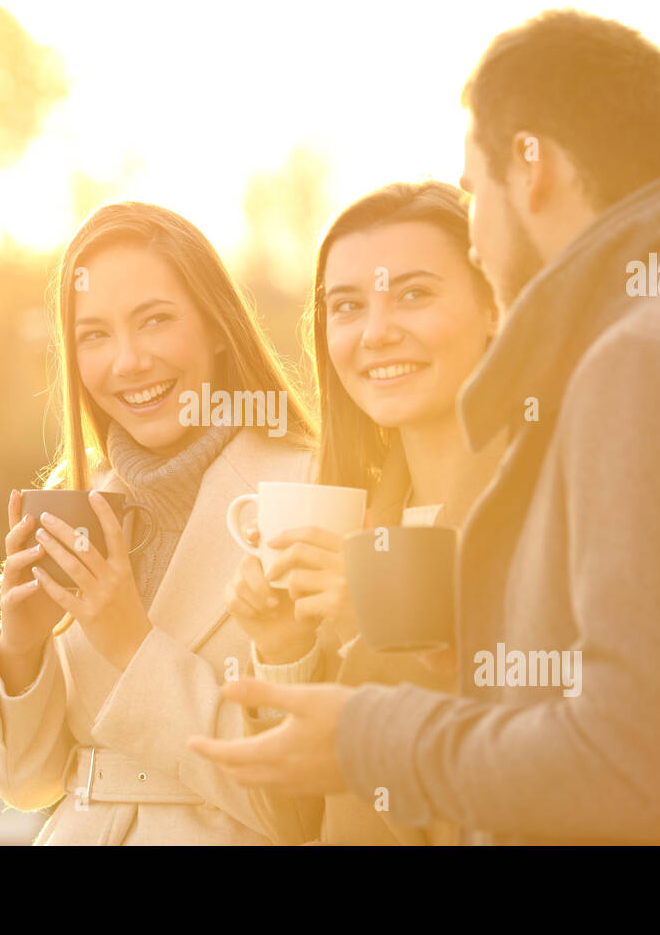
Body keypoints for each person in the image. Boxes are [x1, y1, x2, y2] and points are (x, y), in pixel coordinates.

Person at [191, 8, 660, 844]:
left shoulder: (654, 362)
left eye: (475, 194)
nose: (478, 239)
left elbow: (630, 768)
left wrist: (365, 736)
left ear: (535, 170)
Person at [0, 201, 316, 844]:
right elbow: (24, 784)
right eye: (94, 335)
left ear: (217, 324)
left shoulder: (309, 490)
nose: (127, 362)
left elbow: (297, 808)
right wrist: (20, 648)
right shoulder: (74, 499)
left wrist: (130, 642)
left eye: (154, 321)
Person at [223, 181, 504, 844]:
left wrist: (370, 625)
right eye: (346, 306)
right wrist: (284, 649)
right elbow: (297, 823)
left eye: (413, 293)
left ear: (492, 305)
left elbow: (537, 789)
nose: (376, 333)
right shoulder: (360, 518)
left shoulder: (547, 509)